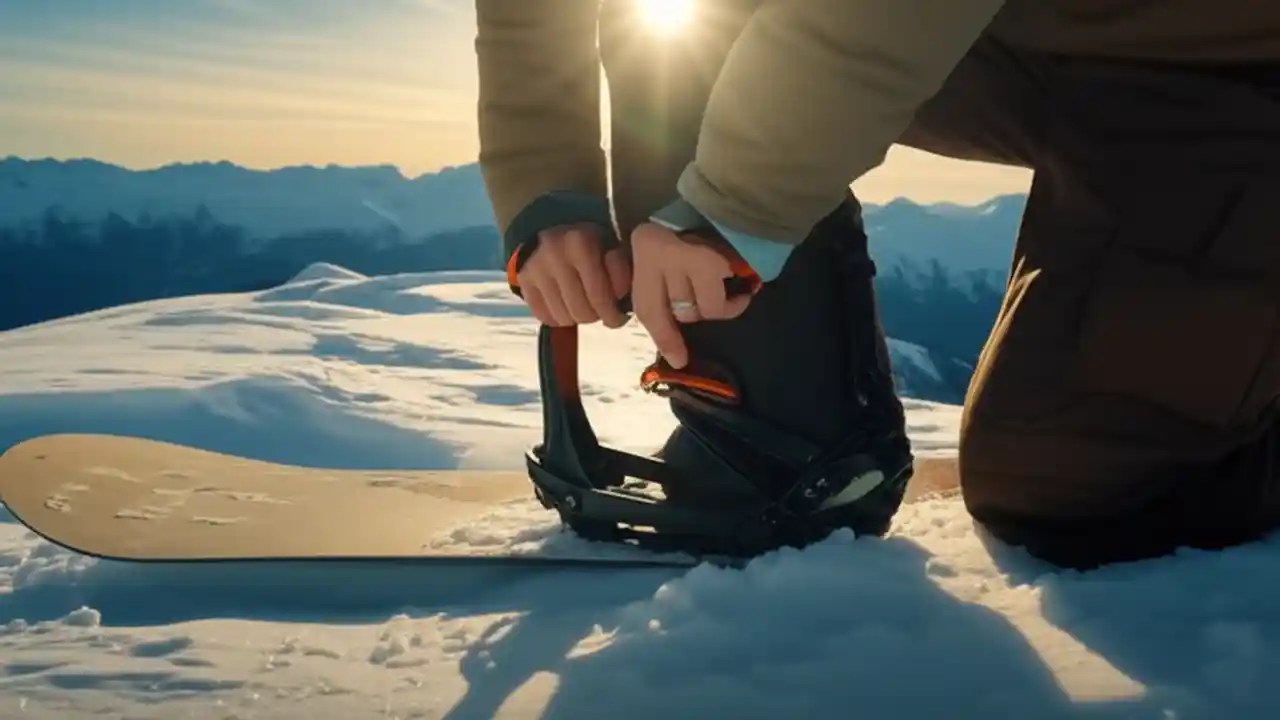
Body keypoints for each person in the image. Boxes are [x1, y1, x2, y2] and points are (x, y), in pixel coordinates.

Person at [474, 0, 1280, 569]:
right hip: (1022, 34)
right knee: (698, 21)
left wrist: (738, 203)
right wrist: (550, 192)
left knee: (1077, 487)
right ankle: (786, 441)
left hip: (1228, 65)